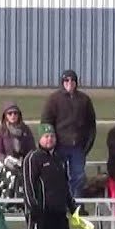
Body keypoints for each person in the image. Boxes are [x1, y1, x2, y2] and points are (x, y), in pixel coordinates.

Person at [20, 124, 77, 229]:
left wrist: (73, 207)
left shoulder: (60, 159)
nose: (49, 139)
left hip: (58, 213)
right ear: (40, 138)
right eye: (46, 136)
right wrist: (33, 206)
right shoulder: (33, 158)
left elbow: (65, 186)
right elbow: (28, 185)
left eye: (52, 136)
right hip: (39, 213)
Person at [40, 69, 98, 199]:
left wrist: (87, 145)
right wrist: (50, 143)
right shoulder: (53, 100)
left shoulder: (84, 100)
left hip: (78, 147)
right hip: (59, 146)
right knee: (58, 176)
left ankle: (76, 204)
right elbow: (46, 123)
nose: (69, 83)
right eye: (66, 80)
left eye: (72, 80)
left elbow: (91, 125)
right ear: (62, 82)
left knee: (78, 177)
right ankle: (60, 203)